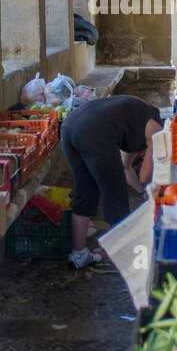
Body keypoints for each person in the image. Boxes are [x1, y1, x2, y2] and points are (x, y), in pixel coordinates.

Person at [60, 94, 164, 269]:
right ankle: (126, 257)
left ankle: (79, 255)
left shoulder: (134, 120)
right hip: (94, 131)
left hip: (70, 126)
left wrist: (141, 191)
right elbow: (145, 176)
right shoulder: (156, 131)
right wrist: (150, 189)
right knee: (115, 195)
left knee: (86, 191)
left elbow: (124, 167)